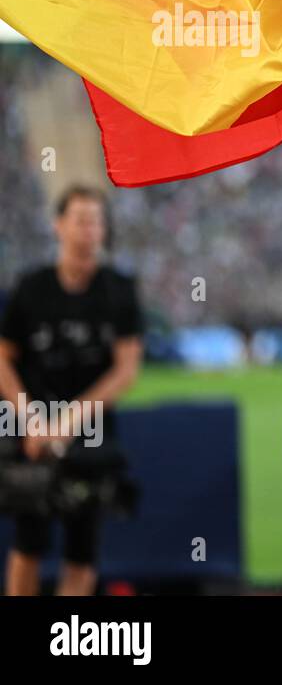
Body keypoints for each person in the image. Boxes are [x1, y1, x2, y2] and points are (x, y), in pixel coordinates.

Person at [0, 185, 142, 595]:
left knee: (83, 547)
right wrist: (30, 419)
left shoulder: (119, 290)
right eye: (79, 220)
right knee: (29, 541)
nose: (88, 230)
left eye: (96, 221)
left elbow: (126, 369)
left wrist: (69, 422)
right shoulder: (31, 288)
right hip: (31, 431)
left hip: (90, 433)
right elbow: (4, 358)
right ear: (58, 225)